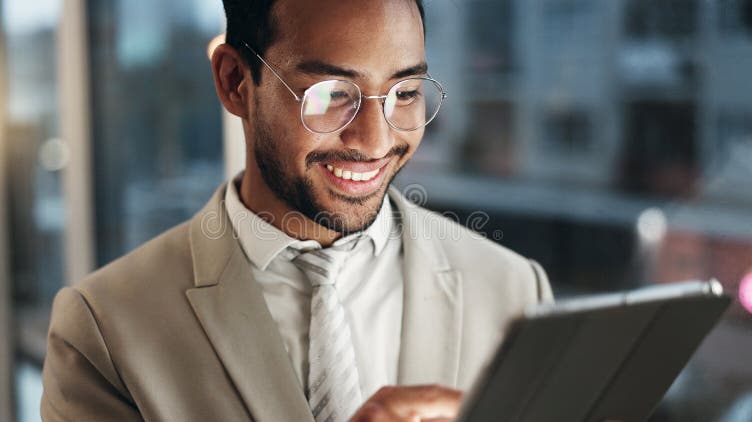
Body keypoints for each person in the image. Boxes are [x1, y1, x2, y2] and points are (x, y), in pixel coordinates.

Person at [40, 0, 553, 421]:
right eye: (331, 94)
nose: (376, 139)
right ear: (235, 82)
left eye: (405, 92)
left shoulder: (514, 291)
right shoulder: (104, 330)